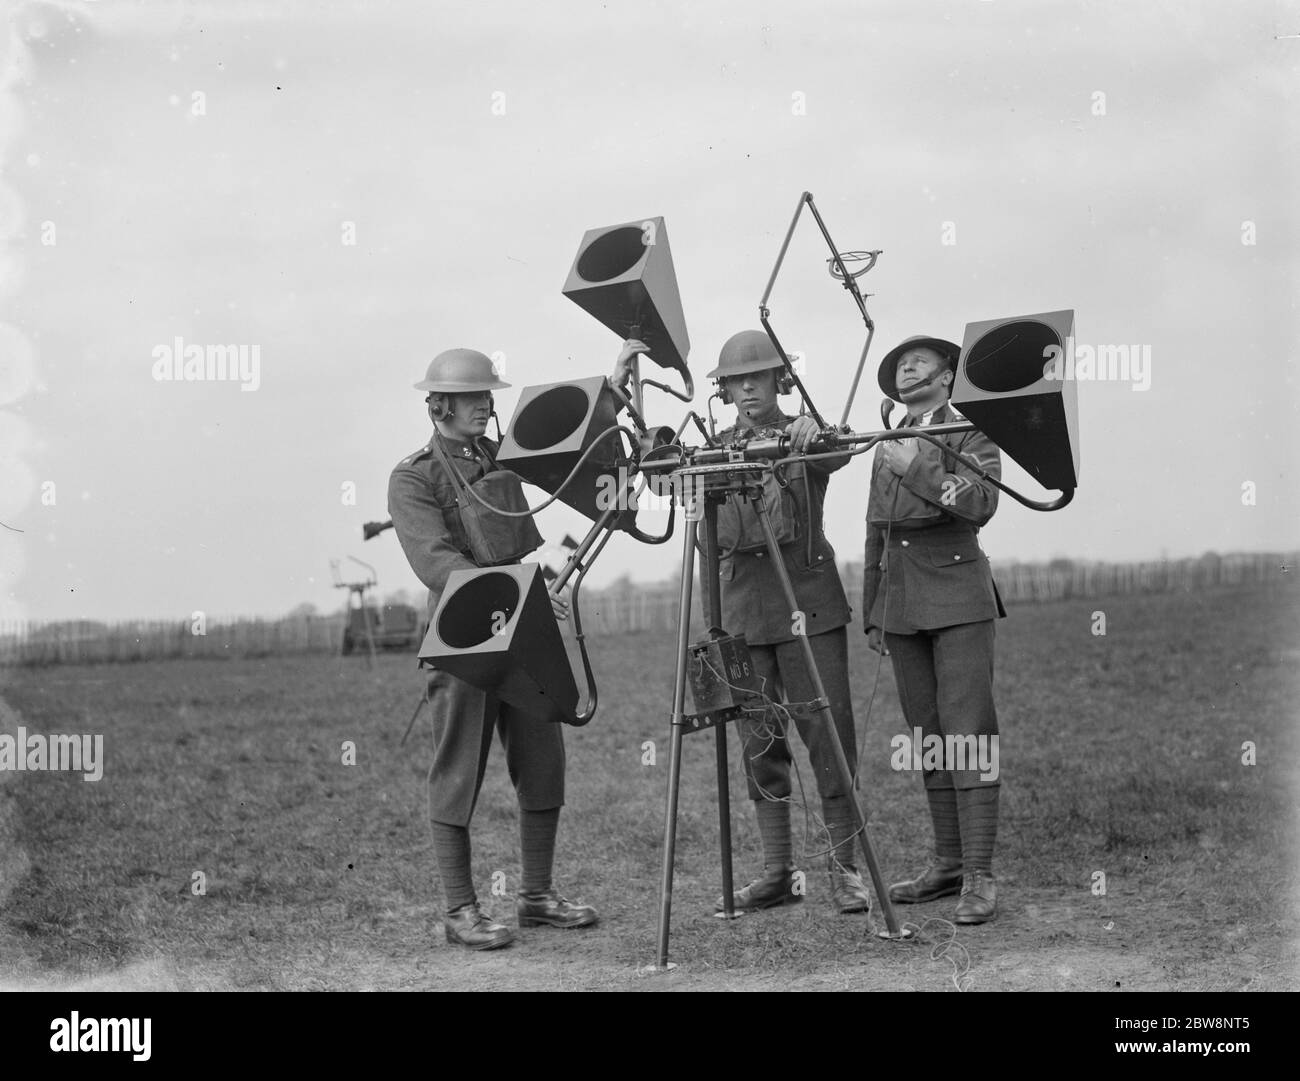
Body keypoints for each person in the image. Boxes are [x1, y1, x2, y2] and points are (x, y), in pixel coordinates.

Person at [388, 341, 645, 949]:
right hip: (464, 643)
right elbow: (437, 564)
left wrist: (611, 391)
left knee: (543, 762)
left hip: (524, 634)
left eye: (488, 396)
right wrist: (518, 595)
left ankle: (536, 896)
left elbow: (560, 441)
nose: (484, 406)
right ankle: (459, 910)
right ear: (439, 406)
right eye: (472, 398)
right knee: (458, 771)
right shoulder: (412, 478)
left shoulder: (494, 456)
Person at [701, 329, 872, 917]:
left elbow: (838, 451)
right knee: (758, 741)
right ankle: (777, 871)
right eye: (735, 381)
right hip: (743, 616)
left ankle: (846, 868)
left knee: (828, 734)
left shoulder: (804, 434)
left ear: (780, 379)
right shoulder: (711, 449)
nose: (747, 388)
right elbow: (663, 483)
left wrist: (811, 431)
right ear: (722, 390)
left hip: (809, 608)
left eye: (759, 377)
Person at [862, 334, 1006, 924]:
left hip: (957, 594)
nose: (906, 367)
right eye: (898, 364)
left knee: (968, 731)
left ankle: (980, 876)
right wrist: (874, 605)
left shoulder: (971, 432)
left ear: (948, 375)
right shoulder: (887, 439)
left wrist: (916, 465)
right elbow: (875, 524)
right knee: (927, 736)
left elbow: (981, 503)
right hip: (901, 603)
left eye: (919, 360)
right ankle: (947, 864)